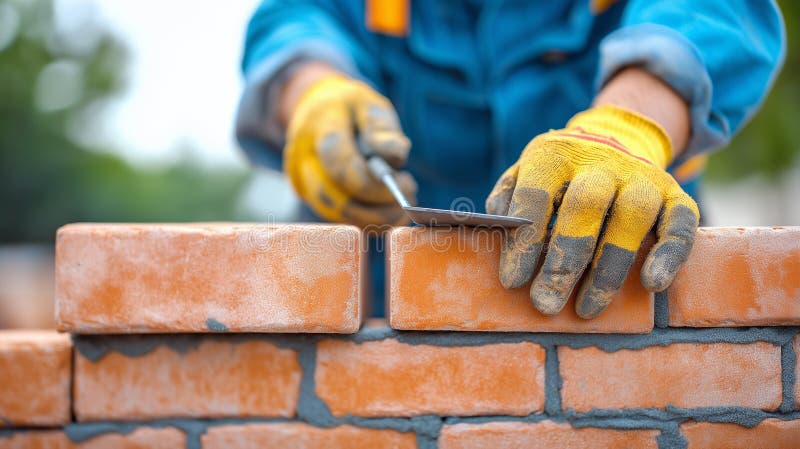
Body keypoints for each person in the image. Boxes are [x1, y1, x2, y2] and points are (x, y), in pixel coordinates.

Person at [236, 0, 785, 318]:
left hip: (619, 277)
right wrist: (314, 91)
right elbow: (297, 21)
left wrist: (628, 126)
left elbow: (716, 13)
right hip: (381, 295)